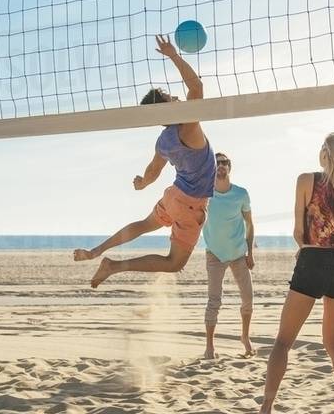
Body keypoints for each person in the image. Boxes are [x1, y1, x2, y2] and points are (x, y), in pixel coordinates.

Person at [73, 34, 215, 287]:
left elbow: (153, 170)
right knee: (174, 263)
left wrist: (143, 184)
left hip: (174, 196)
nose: (177, 98)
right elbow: (197, 87)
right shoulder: (188, 127)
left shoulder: (164, 140)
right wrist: (172, 55)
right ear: (168, 108)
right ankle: (114, 266)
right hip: (191, 204)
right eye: (171, 98)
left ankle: (97, 252)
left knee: (143, 225)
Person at [252, 133, 334, 414]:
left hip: (313, 260)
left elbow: (298, 231)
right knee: (333, 344)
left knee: (282, 342)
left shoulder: (308, 180)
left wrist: (306, 247)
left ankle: (266, 410)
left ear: (326, 154)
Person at [202, 151, 255, 359]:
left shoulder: (241, 194)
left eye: (224, 163)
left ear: (229, 167)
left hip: (238, 254)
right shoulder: (205, 195)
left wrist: (250, 252)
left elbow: (250, 223)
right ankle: (209, 347)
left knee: (248, 299)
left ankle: (245, 337)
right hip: (214, 254)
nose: (221, 166)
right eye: (217, 164)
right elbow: (192, 219)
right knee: (214, 301)